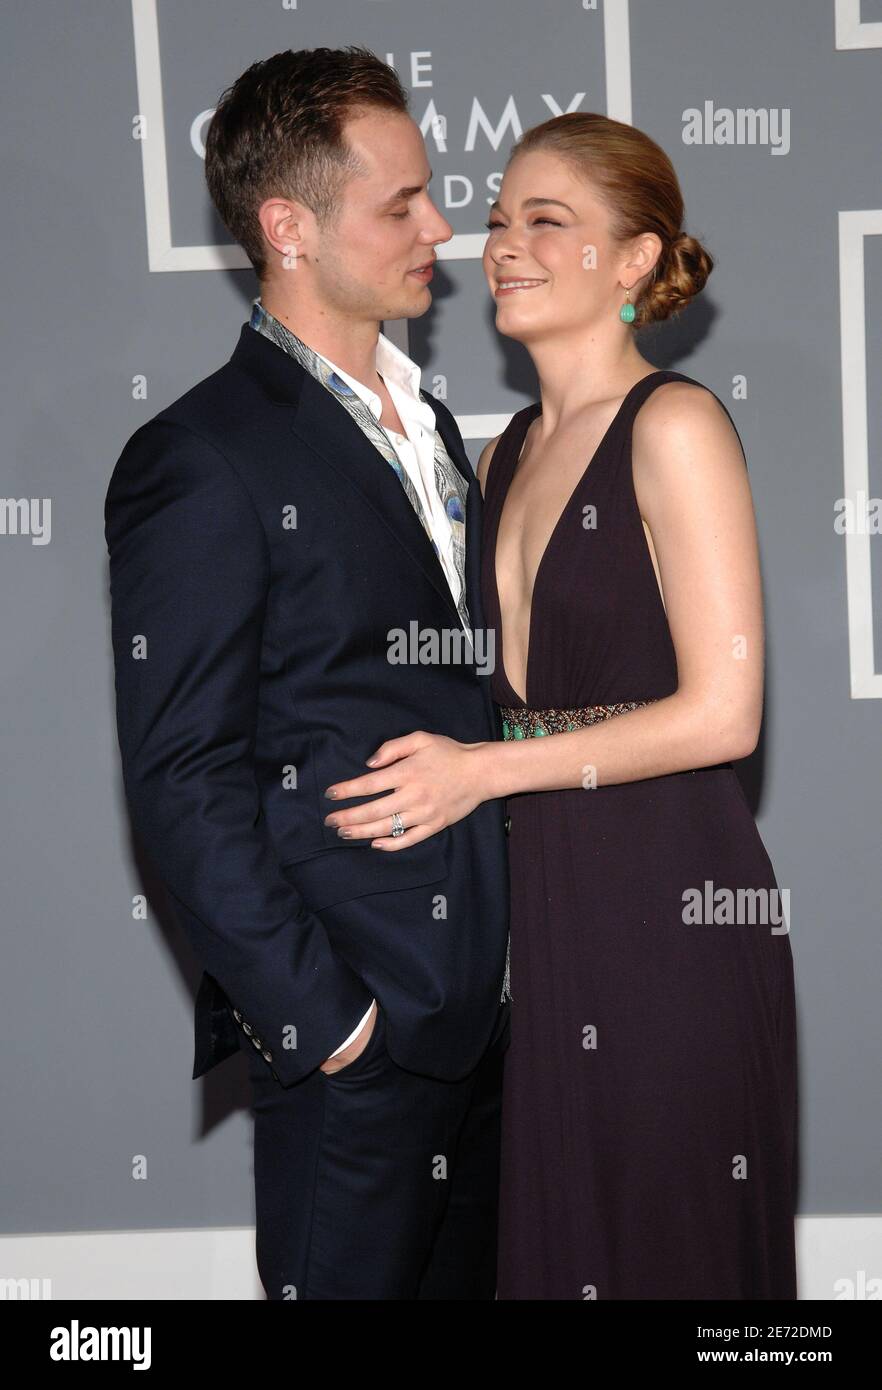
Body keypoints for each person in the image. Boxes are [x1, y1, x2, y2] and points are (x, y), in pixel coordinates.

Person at [327, 112, 799, 1300]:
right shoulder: (503, 452)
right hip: (536, 927)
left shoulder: (676, 427)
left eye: (548, 221)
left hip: (668, 915)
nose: (502, 246)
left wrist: (481, 769)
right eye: (496, 222)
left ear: (634, 261)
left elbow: (724, 714)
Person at [104, 46, 511, 1300]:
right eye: (402, 204)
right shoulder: (202, 458)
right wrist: (329, 1023)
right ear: (288, 225)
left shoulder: (433, 422)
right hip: (362, 1029)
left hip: (493, 1012)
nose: (441, 231)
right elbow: (182, 776)